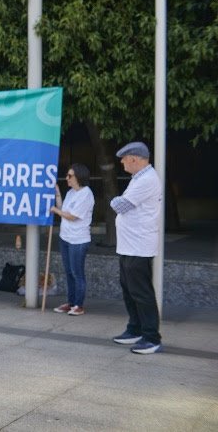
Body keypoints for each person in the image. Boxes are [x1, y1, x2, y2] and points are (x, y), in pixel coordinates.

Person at [110, 141, 163, 355]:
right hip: (129, 245)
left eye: (124, 159)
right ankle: (135, 329)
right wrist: (119, 200)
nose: (122, 163)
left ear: (133, 159)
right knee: (129, 290)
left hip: (139, 246)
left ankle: (151, 337)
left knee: (141, 293)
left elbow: (120, 205)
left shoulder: (147, 179)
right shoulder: (138, 178)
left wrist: (115, 200)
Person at [51, 164, 95, 316]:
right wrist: (57, 193)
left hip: (78, 240)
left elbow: (72, 216)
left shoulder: (86, 194)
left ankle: (78, 305)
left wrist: (55, 210)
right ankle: (70, 303)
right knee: (69, 272)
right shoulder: (70, 192)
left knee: (77, 273)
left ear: (79, 177)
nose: (67, 178)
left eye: (70, 176)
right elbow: (63, 209)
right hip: (65, 237)